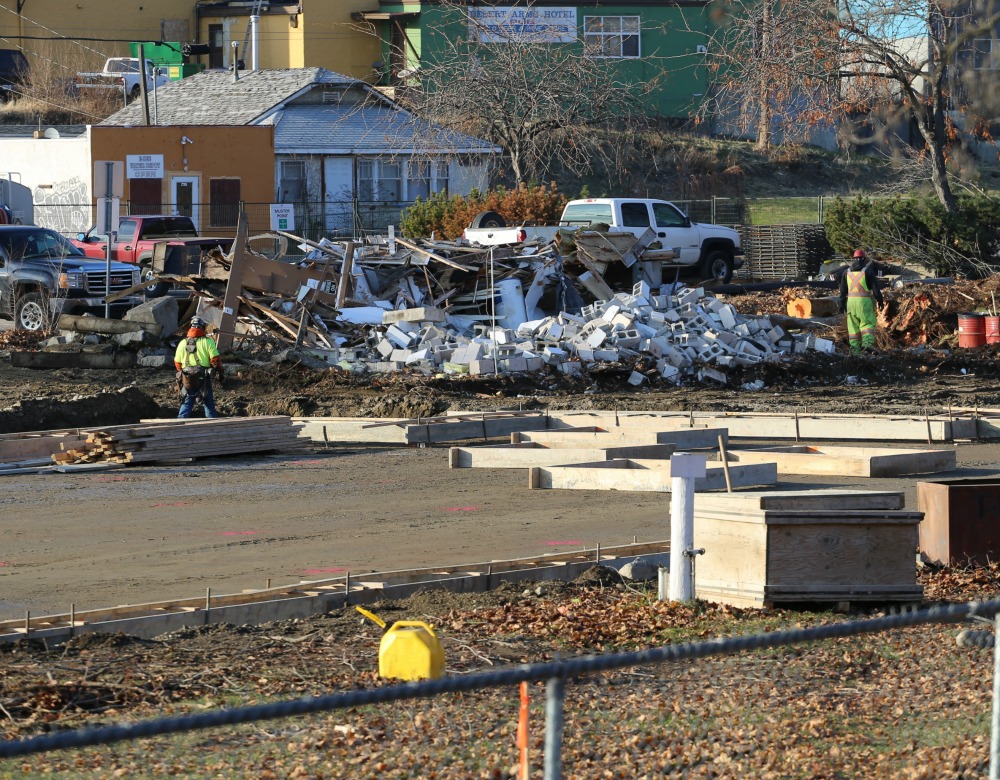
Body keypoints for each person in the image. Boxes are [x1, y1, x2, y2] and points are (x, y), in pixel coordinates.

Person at [173, 316, 224, 418]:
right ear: (203, 328)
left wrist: (185, 376)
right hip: (203, 378)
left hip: (187, 378)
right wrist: (220, 373)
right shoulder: (208, 342)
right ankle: (212, 428)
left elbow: (177, 363)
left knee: (186, 403)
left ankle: (179, 426)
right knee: (208, 403)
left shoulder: (182, 343)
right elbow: (215, 361)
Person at [838, 249, 885, 355]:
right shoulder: (868, 271)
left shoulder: (846, 272)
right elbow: (876, 289)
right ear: (864, 259)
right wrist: (880, 301)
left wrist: (841, 306)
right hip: (864, 303)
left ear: (854, 259)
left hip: (850, 303)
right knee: (867, 323)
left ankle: (855, 351)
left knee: (853, 327)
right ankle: (867, 344)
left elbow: (842, 292)